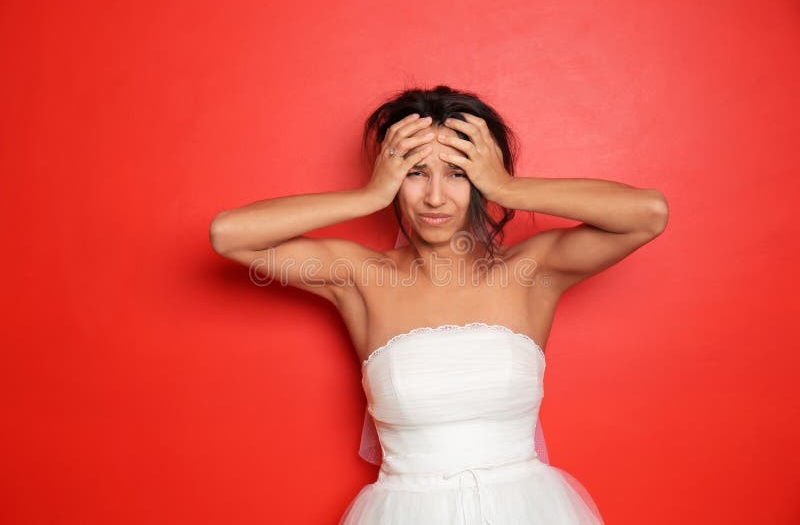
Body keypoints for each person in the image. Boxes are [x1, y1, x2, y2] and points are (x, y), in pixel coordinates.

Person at [209, 85, 669, 524]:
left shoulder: (531, 272)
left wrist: (507, 187)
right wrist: (368, 196)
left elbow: (648, 214)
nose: (434, 197)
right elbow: (229, 235)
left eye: (456, 173)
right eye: (416, 172)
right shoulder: (360, 278)